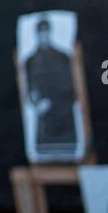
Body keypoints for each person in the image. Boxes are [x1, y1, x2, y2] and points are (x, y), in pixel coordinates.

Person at [24, 17, 78, 156]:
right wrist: (36, 102)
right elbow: (28, 89)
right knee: (44, 152)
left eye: (46, 32)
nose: (44, 36)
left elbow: (71, 89)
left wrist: (52, 102)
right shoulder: (30, 61)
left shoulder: (63, 57)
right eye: (41, 32)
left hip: (63, 116)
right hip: (45, 120)